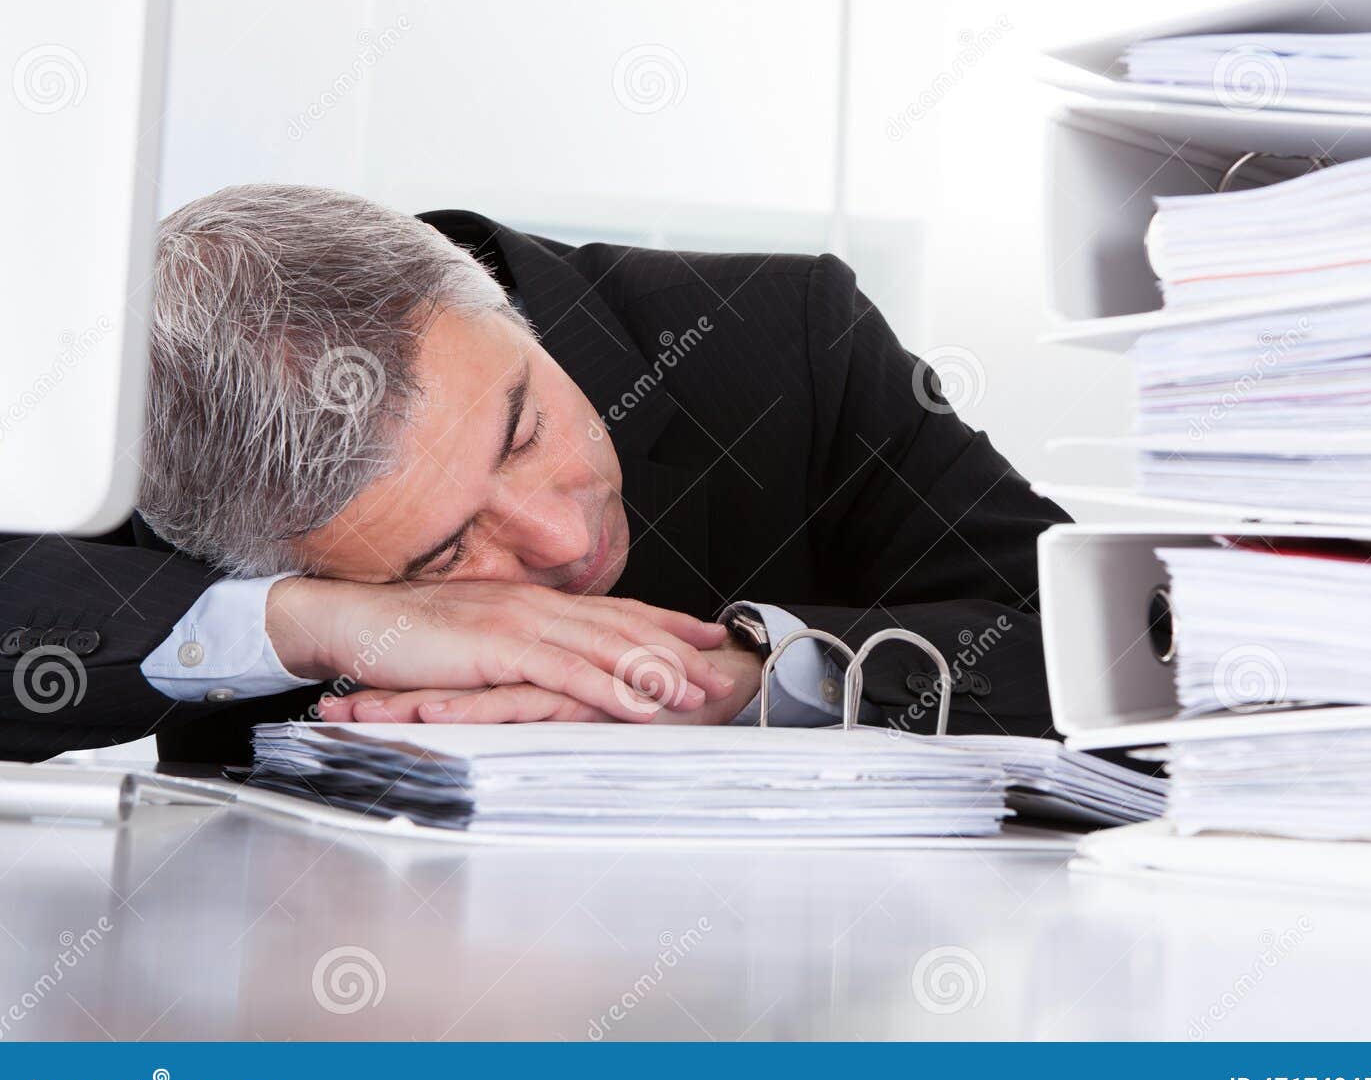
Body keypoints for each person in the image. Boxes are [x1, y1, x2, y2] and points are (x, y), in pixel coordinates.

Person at [0, 185, 1069, 763]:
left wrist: (764, 679)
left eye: (521, 430)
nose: (562, 541)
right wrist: (308, 623)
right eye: (441, 556)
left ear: (498, 303)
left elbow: (1112, 641)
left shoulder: (787, 336)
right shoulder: (164, 456)